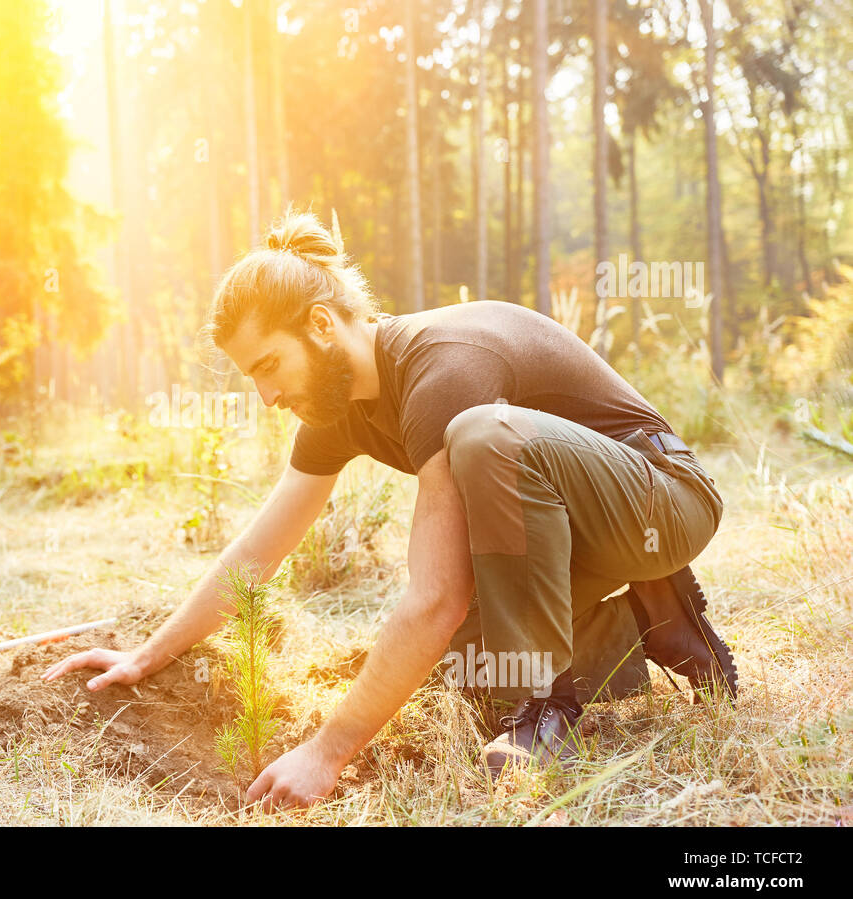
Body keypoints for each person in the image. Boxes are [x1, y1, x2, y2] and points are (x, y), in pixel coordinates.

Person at [42, 209, 737, 810]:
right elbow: (260, 548)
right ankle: (653, 616)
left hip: (662, 498)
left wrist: (326, 753)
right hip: (578, 532)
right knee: (454, 671)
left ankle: (543, 705)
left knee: (484, 437)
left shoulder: (443, 370)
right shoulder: (337, 404)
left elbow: (435, 595)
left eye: (267, 366)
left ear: (319, 325)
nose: (264, 395)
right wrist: (146, 654)